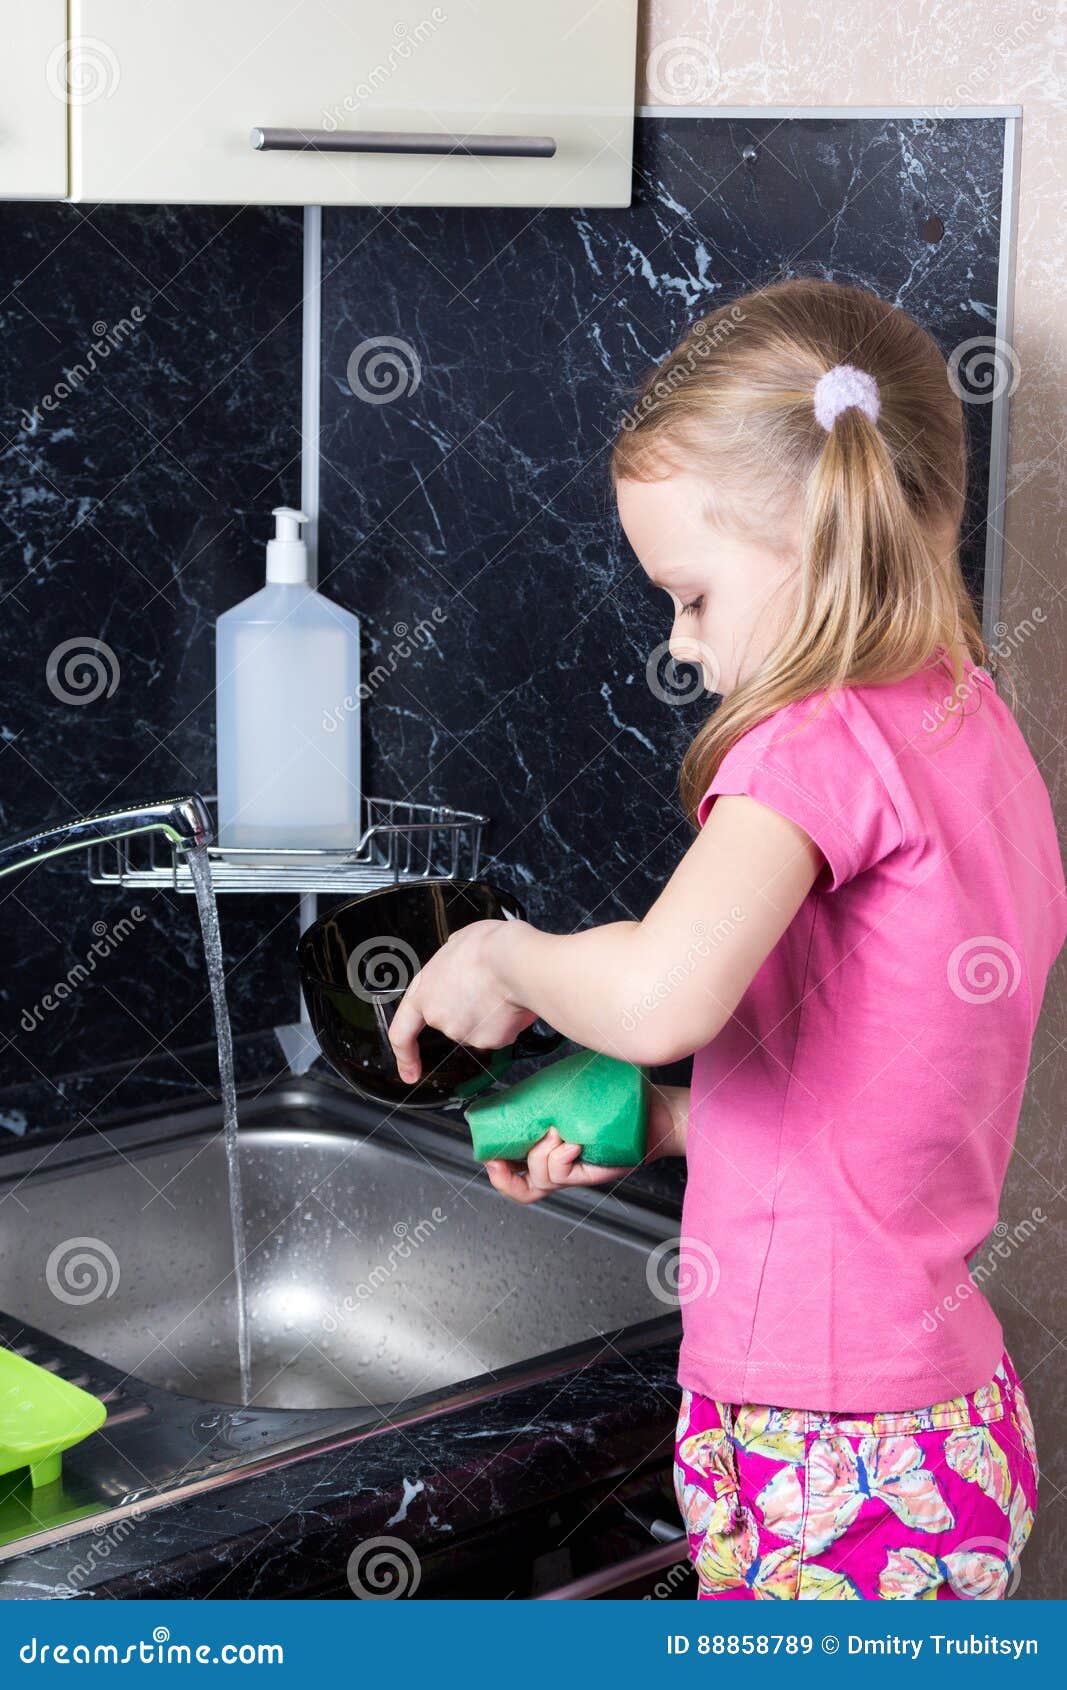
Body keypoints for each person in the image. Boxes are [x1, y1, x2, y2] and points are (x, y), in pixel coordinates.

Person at [387, 278, 1066, 1600]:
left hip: (841, 1455)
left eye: (690, 594)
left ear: (818, 541)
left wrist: (501, 956)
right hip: (924, 1430)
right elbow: (885, 1108)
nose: (683, 643)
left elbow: (659, 992)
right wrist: (666, 1125)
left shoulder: (816, 743)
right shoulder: (967, 727)